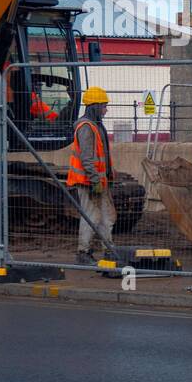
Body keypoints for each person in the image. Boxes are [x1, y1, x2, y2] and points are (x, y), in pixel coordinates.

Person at [66, 86, 116, 265]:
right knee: (91, 217)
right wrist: (95, 180)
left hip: (98, 181)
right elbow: (87, 158)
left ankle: (109, 250)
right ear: (94, 106)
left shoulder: (96, 126)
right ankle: (83, 252)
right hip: (88, 182)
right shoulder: (86, 127)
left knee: (105, 217)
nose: (106, 110)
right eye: (104, 106)